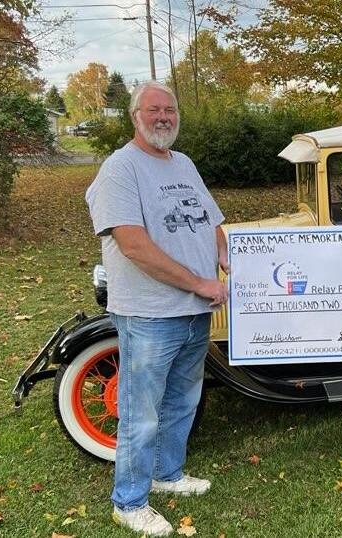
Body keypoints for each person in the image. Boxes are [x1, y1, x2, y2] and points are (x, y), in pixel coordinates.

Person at [85, 80, 229, 536]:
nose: (163, 116)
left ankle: (168, 475)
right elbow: (134, 246)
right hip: (150, 313)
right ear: (135, 116)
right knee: (140, 408)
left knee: (183, 398)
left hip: (194, 309)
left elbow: (212, 220)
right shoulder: (119, 170)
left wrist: (224, 254)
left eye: (169, 109)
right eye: (153, 110)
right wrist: (200, 282)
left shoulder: (183, 163)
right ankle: (128, 502)